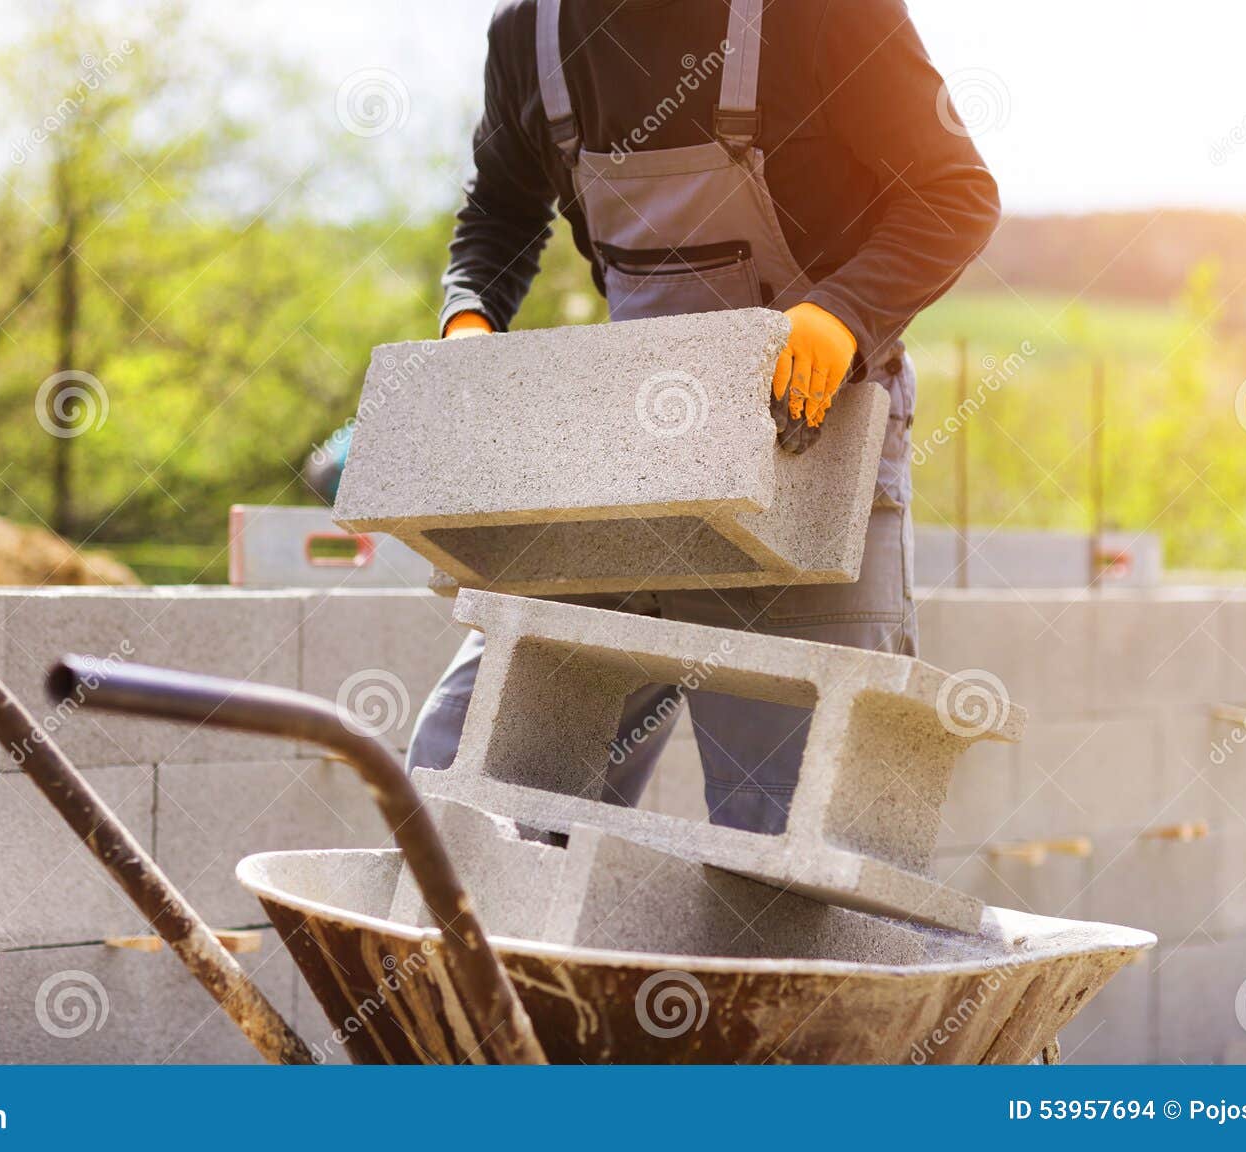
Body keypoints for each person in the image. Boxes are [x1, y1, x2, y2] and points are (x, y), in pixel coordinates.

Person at [407, 0, 1000, 834]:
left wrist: (844, 314)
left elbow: (955, 193)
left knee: (791, 830)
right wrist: (470, 317)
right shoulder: (531, 32)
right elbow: (499, 211)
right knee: (469, 788)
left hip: (803, 447)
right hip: (625, 455)